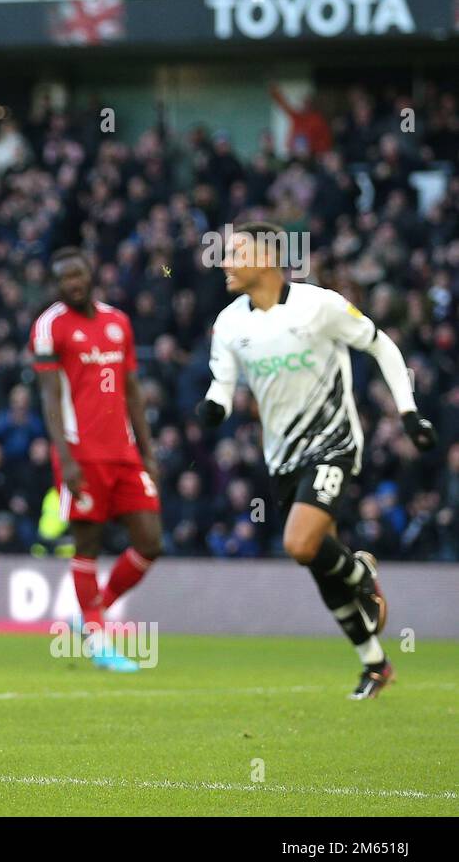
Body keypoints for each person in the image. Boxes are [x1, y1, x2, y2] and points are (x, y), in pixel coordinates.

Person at [196, 221, 436, 699]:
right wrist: (213, 408)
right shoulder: (229, 324)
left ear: (266, 257)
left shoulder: (318, 305)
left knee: (301, 544)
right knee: (319, 562)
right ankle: (375, 664)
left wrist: (408, 413)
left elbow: (381, 344)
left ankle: (362, 574)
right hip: (282, 457)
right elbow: (221, 385)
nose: (224, 262)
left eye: (236, 253)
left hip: (334, 443)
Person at [30, 248, 163, 671]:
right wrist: (64, 459)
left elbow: (133, 391)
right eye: (64, 278)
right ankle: (98, 638)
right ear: (56, 285)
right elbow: (50, 398)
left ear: (91, 274)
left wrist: (147, 451)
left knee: (150, 542)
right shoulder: (50, 326)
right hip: (81, 454)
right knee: (87, 543)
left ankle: (91, 615)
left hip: (123, 453)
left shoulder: (118, 322)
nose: (72, 283)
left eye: (77, 274)